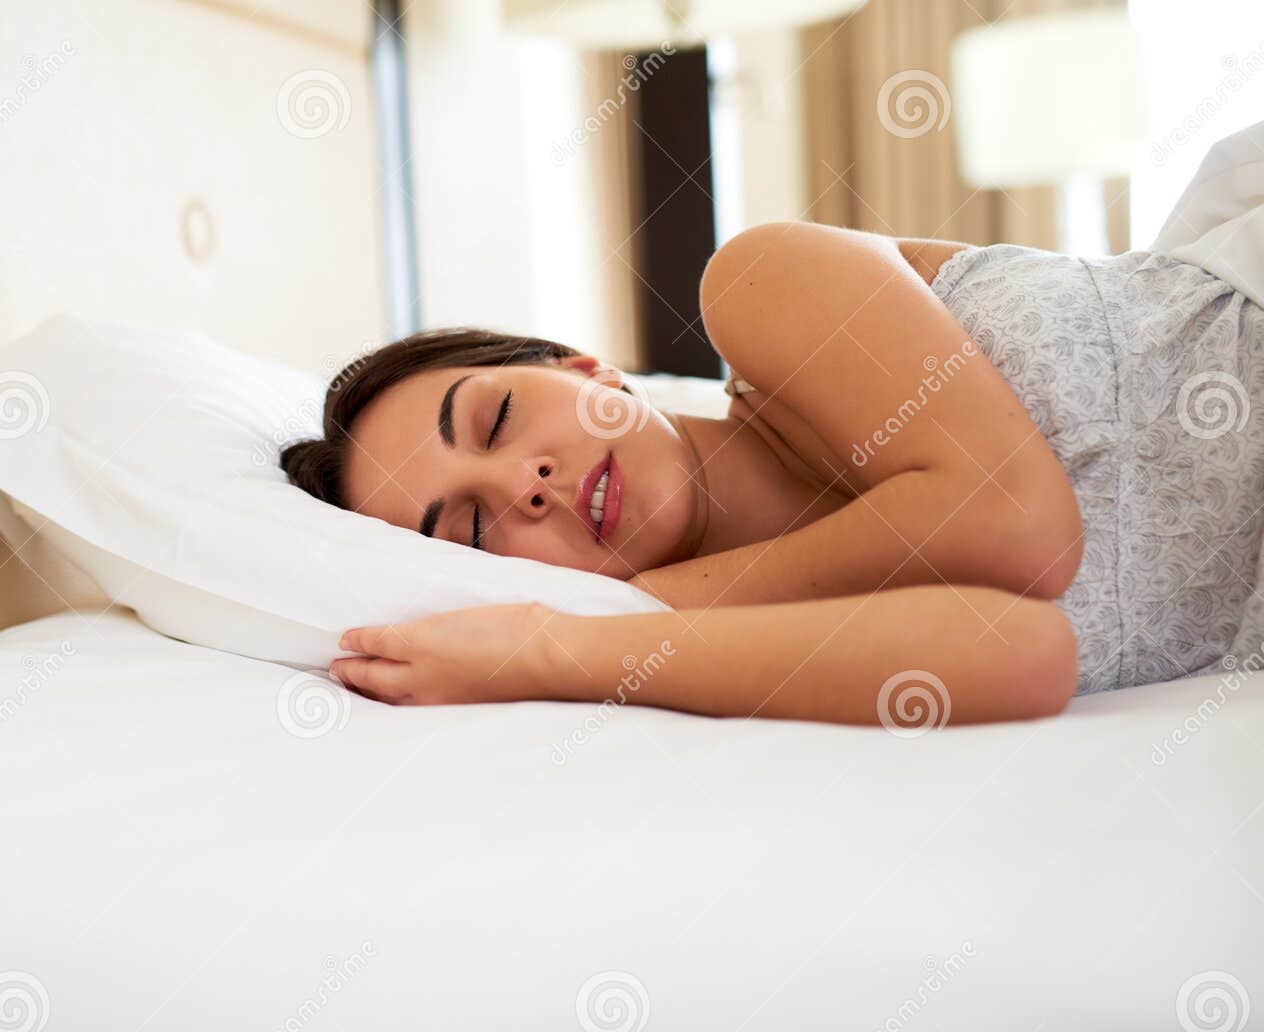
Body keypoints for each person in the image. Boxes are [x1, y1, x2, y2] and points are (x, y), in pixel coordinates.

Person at [283, 208, 1263, 726]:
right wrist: (564, 649)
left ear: (583, 368)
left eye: (496, 419)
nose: (522, 486)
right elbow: (1024, 652)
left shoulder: (759, 283)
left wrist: (608, 616)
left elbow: (1019, 529)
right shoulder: (747, 640)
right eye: (473, 531)